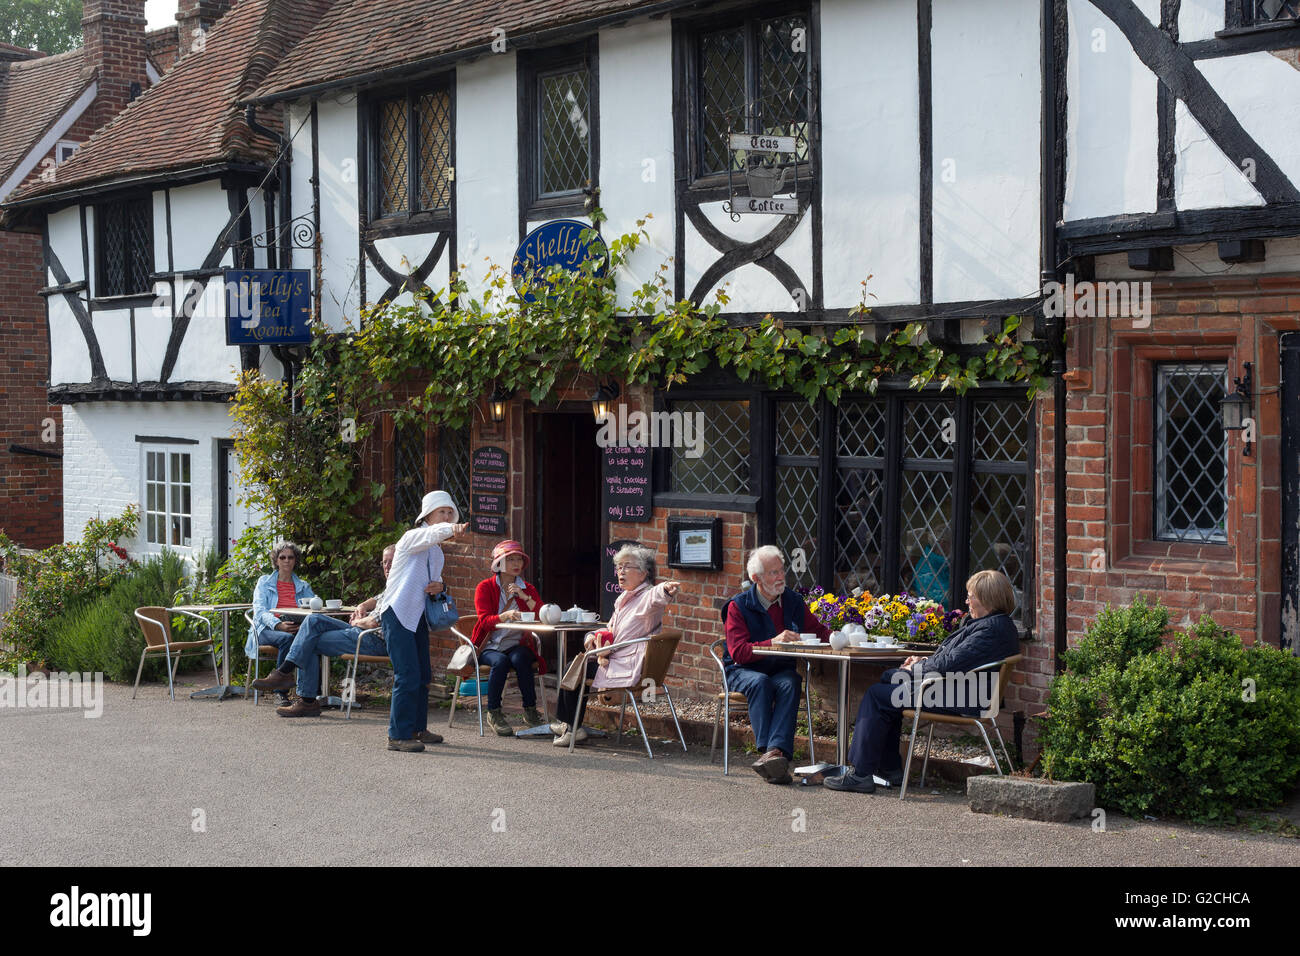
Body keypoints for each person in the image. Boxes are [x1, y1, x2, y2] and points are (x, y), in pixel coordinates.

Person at [824, 569, 1021, 794]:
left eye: (971, 596)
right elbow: (953, 659)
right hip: (958, 689)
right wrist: (922, 660)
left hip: (963, 696)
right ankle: (889, 769)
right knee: (888, 685)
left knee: (878, 695)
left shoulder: (991, 629)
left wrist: (914, 668)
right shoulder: (992, 625)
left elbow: (949, 663)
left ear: (987, 598)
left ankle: (861, 773)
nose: (966, 601)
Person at [249, 547, 441, 744]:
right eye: (384, 562)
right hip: (359, 632)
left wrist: (358, 621)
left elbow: (376, 622)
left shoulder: (403, 586)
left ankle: (299, 691)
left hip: (372, 639)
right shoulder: (391, 585)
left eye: (391, 561)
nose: (388, 566)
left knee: (308, 639)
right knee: (313, 622)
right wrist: (362, 607)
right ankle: (288, 678)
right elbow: (376, 599)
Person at [551, 544, 679, 747]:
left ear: (643, 573)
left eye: (627, 566)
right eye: (619, 567)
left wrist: (665, 589)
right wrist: (591, 637)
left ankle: (571, 727)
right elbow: (609, 628)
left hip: (629, 665)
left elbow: (657, 597)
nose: (621, 572)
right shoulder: (623, 599)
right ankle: (569, 724)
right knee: (577, 663)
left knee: (575, 667)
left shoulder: (646, 596)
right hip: (618, 660)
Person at [721, 545, 829, 785]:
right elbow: (738, 652)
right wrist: (772, 642)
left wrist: (843, 637)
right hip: (742, 670)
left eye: (781, 571)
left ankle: (773, 757)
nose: (780, 577)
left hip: (779, 669)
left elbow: (819, 631)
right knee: (760, 682)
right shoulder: (738, 606)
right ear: (756, 578)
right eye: (772, 573)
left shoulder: (793, 601)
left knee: (790, 681)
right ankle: (772, 753)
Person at [379, 489, 467, 753]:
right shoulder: (412, 537)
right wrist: (453, 528)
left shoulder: (437, 552)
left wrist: (439, 586)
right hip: (397, 613)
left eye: (450, 512)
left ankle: (417, 728)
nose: (448, 516)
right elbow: (431, 534)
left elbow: (434, 582)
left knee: (424, 675)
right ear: (428, 514)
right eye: (443, 511)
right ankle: (397, 735)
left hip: (417, 617)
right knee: (407, 675)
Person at [471, 540, 547, 736]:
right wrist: (503, 616)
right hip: (490, 645)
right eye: (510, 559)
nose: (516, 564)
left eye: (519, 559)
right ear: (498, 563)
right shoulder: (485, 587)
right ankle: (494, 713)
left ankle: (530, 712)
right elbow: (485, 621)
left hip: (516, 643)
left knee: (522, 658)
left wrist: (524, 597)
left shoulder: (527, 588)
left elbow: (541, 615)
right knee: (501, 662)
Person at [245, 540, 316, 702]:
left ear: (295, 560)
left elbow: (313, 610)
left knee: (315, 639)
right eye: (282, 557)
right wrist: (278, 625)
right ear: (276, 560)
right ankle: (280, 692)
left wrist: (300, 624)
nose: (286, 561)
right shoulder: (264, 582)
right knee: (287, 639)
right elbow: (260, 611)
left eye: (290, 557)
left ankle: (310, 694)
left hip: (296, 628)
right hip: (266, 629)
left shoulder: (303, 586)